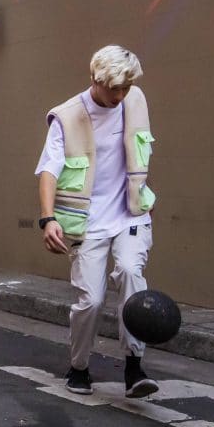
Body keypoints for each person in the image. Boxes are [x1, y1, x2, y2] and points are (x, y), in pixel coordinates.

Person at [36, 45, 161, 398]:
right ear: (94, 79)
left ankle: (134, 368)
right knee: (90, 300)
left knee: (131, 276)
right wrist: (47, 219)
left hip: (129, 215)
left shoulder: (135, 100)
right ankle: (78, 367)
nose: (120, 95)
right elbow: (48, 169)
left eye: (126, 87)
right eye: (114, 88)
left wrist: (143, 193)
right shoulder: (67, 116)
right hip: (86, 223)